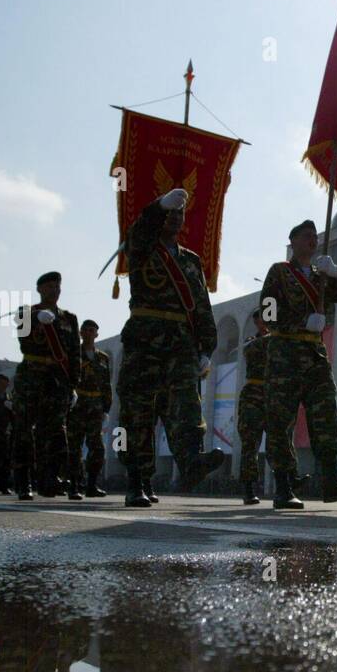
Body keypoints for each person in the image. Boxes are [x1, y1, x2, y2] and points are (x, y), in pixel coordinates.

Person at [116, 187, 223, 506]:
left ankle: (192, 462)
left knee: (187, 407)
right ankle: (137, 480)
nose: (175, 217)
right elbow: (139, 230)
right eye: (170, 212)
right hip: (145, 341)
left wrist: (207, 347)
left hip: (181, 344)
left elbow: (202, 305)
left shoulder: (191, 260)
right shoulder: (142, 247)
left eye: (179, 213)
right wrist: (158, 204)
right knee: (140, 412)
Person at [259, 218, 337, 510]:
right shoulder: (279, 272)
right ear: (292, 241)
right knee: (281, 420)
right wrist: (300, 322)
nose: (311, 240)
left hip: (315, 355)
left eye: (314, 236)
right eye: (305, 236)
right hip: (285, 353)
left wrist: (336, 272)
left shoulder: (322, 277)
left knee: (326, 415)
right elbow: (266, 313)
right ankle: (284, 486)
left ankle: (330, 479)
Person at [11, 271, 80, 500]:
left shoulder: (69, 319)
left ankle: (51, 479)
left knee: (56, 432)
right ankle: (23, 482)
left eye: (58, 287)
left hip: (57, 380)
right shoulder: (26, 313)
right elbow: (23, 341)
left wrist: (74, 385)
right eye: (50, 287)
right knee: (24, 430)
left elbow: (74, 354)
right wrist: (35, 321)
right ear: (40, 289)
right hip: (31, 377)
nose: (55, 291)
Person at [67, 318, 112, 499]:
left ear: (96, 334)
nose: (89, 333)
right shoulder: (73, 354)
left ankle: (92, 485)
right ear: (80, 333)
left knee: (97, 448)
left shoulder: (103, 358)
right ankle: (74, 485)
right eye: (86, 330)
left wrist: (106, 408)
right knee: (74, 447)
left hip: (96, 407)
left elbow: (106, 384)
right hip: (77, 405)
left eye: (92, 330)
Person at [237, 310, 271, 504]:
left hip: (274, 395)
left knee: (278, 441)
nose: (264, 324)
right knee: (250, 444)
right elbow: (249, 350)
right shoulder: (252, 340)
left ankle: (287, 482)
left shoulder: (278, 341)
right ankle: (249, 489)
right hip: (253, 393)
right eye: (261, 321)